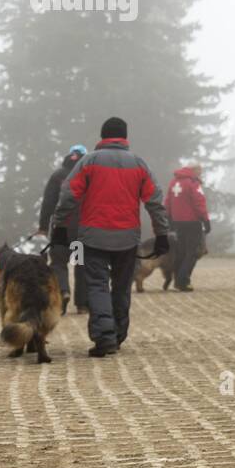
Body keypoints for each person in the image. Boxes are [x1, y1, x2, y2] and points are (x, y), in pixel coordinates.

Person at [52, 117, 170, 357]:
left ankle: (104, 336)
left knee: (96, 285)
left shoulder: (89, 161)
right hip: (127, 238)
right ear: (125, 137)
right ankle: (117, 335)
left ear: (102, 136)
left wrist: (60, 226)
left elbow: (68, 194)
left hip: (92, 237)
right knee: (122, 286)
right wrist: (162, 234)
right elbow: (155, 201)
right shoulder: (139, 164)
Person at [38, 144, 88, 314]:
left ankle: (63, 292)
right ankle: (82, 304)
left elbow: (48, 202)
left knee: (59, 263)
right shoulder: (88, 175)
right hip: (80, 229)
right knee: (81, 264)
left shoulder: (58, 175)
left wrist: (43, 226)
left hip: (60, 227)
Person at [165, 163, 211, 292]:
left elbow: (168, 201)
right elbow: (199, 203)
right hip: (192, 222)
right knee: (192, 252)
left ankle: (177, 281)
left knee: (181, 252)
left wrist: (169, 218)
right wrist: (206, 220)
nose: (200, 174)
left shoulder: (174, 182)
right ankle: (183, 282)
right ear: (193, 170)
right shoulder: (193, 183)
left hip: (177, 222)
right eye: (199, 171)